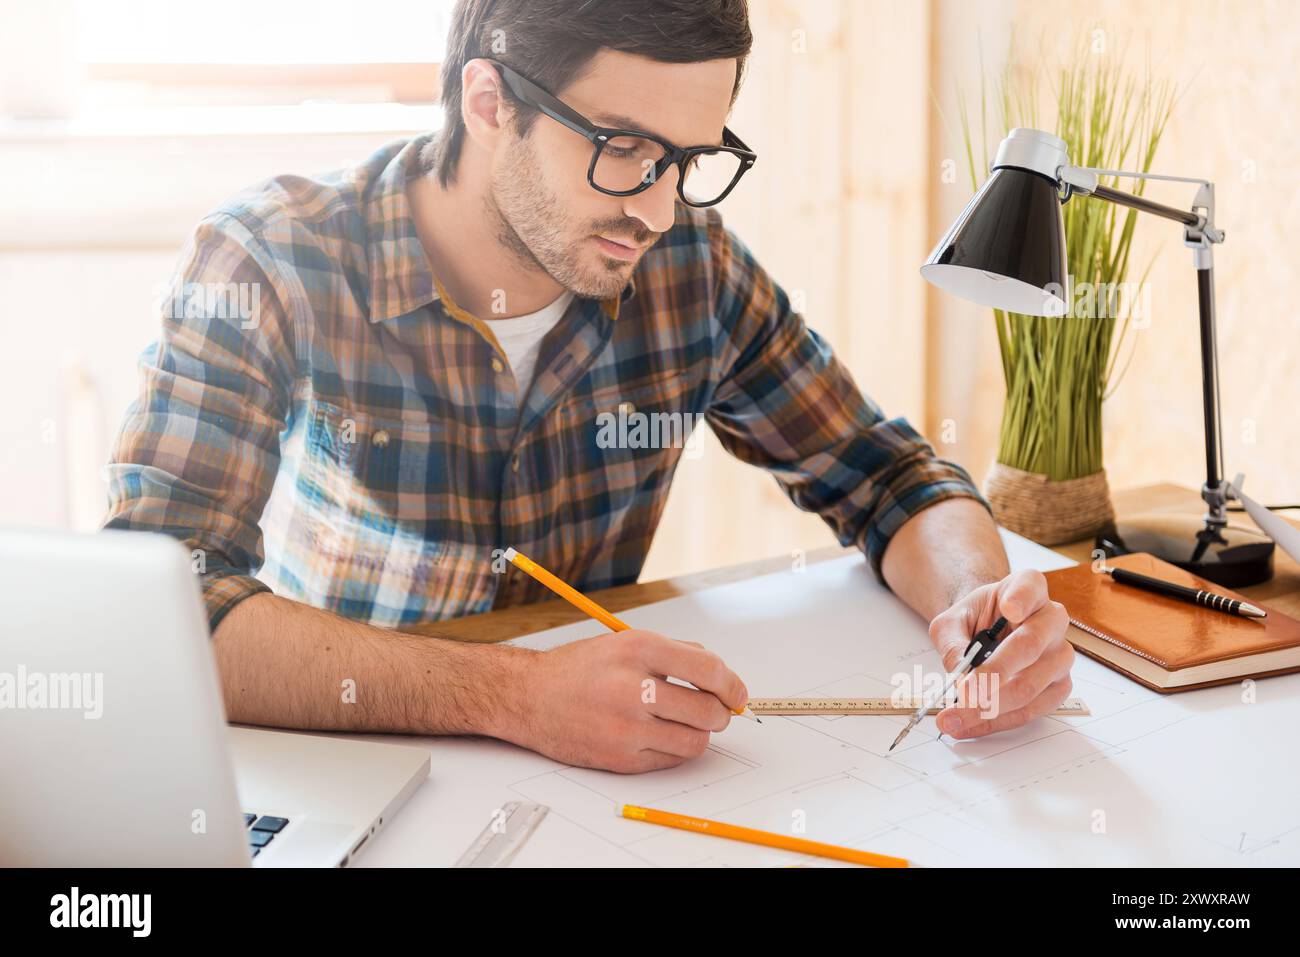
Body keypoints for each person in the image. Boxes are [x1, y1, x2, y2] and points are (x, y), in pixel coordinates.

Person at [105, 0, 1073, 773]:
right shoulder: (274, 257)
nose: (656, 209)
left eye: (692, 160)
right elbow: (162, 603)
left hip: (596, 779)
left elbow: (885, 476)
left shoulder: (691, 263)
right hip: (347, 754)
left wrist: (980, 604)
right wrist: (512, 694)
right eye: (622, 149)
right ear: (489, 104)